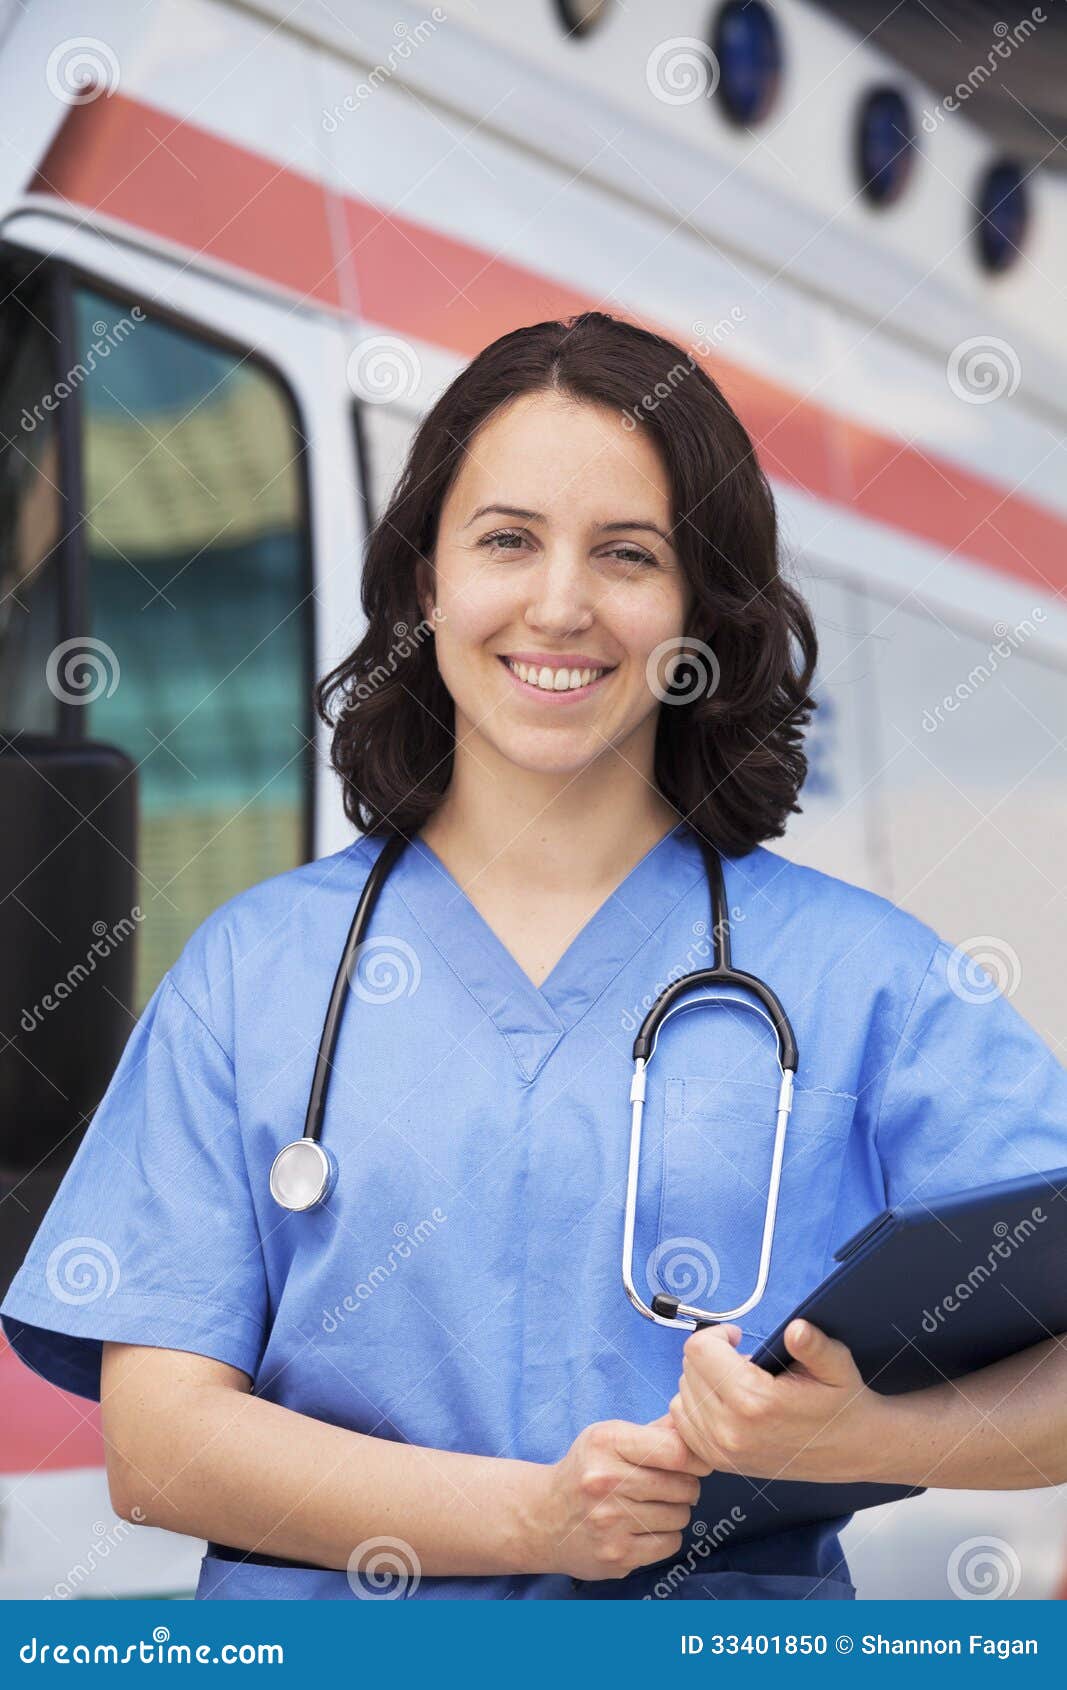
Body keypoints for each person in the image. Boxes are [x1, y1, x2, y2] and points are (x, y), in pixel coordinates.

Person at [3, 311, 1067, 1602]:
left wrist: (867, 1436)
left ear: (697, 611)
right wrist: (539, 1520)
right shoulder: (254, 974)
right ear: (426, 584)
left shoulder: (872, 980)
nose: (559, 605)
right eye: (506, 540)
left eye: (628, 554)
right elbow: (160, 1448)